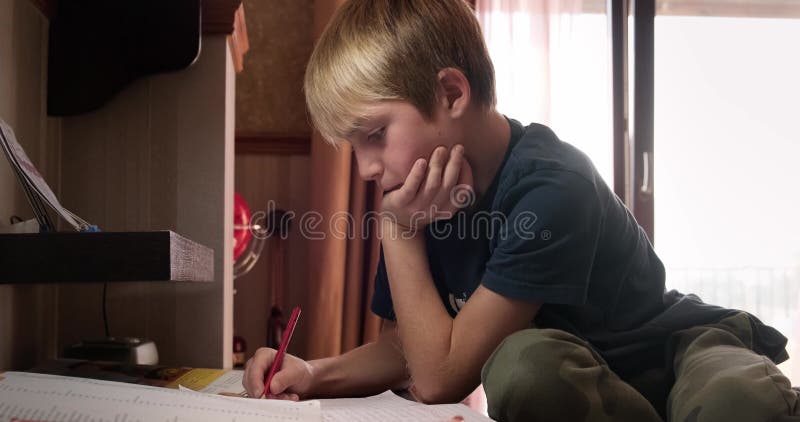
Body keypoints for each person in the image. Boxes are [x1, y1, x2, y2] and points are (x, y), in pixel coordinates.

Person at [243, 0, 800, 420]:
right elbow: (408, 348)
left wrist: (396, 230)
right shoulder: (421, 199)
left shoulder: (553, 186)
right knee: (523, 368)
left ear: (452, 94)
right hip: (587, 383)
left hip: (677, 351)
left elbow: (438, 379)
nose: (365, 168)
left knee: (732, 401)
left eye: (375, 134)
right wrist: (314, 372)